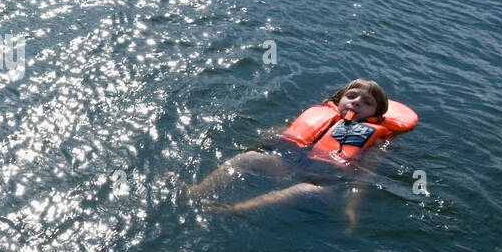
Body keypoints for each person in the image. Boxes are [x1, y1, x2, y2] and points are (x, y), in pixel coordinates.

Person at [172, 79, 417, 223]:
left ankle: (233, 210)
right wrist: (271, 139)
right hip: (294, 166)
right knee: (250, 157)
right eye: (351, 97)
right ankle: (197, 190)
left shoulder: (374, 141)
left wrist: (351, 207)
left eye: (366, 103)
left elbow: (365, 176)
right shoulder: (324, 117)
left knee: (303, 189)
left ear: (375, 115)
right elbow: (283, 136)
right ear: (339, 98)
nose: (356, 103)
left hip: (327, 185)